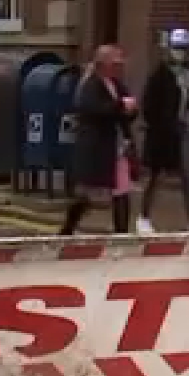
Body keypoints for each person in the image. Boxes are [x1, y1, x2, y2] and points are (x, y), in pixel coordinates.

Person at [60, 45, 138, 235]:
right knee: (87, 194)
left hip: (117, 146)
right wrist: (121, 106)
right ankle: (68, 227)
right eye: (116, 63)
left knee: (122, 190)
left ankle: (122, 234)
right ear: (104, 64)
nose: (119, 67)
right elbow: (94, 109)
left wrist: (131, 110)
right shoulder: (90, 84)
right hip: (96, 148)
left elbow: (125, 111)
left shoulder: (116, 84)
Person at [138, 28, 189, 233]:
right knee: (156, 175)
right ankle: (143, 216)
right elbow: (149, 106)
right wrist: (160, 125)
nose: (180, 53)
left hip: (187, 132)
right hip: (163, 133)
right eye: (176, 49)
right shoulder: (159, 75)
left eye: (184, 49)